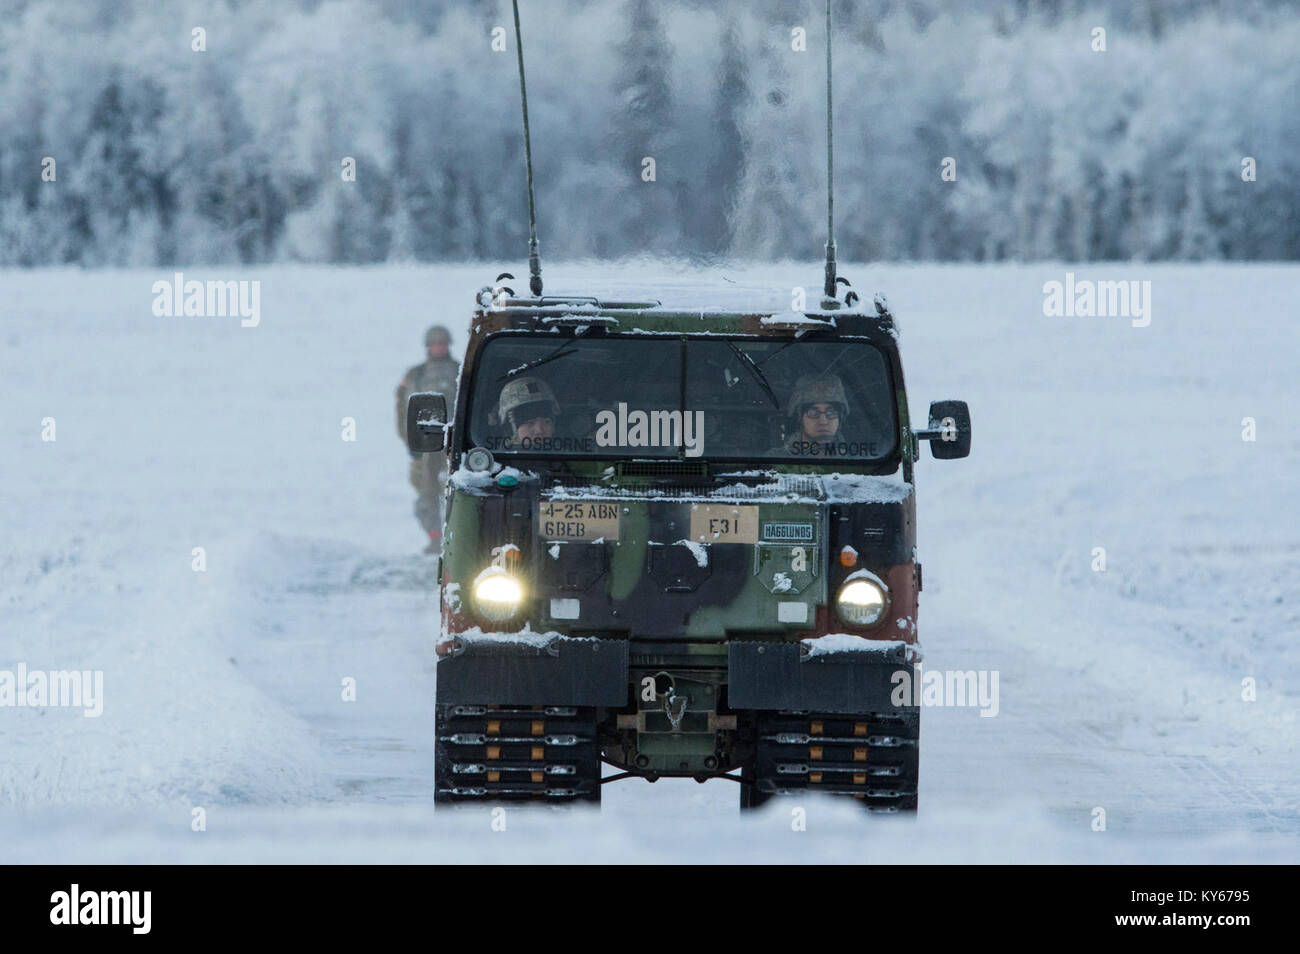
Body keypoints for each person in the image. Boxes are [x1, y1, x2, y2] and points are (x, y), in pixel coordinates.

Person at [396, 325, 459, 553]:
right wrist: (410, 439)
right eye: (435, 343)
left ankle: (457, 536)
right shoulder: (416, 375)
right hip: (426, 445)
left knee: (457, 490)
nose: (439, 347)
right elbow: (403, 408)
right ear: (428, 346)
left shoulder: (460, 371)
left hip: (455, 442)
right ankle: (435, 537)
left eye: (442, 343)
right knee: (427, 491)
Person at [771, 373, 849, 456]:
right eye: (813, 413)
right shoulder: (777, 458)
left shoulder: (857, 456)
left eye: (831, 412)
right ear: (799, 417)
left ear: (840, 419)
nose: (823, 421)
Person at [497, 376, 559, 446]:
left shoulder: (566, 453)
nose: (539, 431)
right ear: (509, 429)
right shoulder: (497, 456)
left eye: (547, 421)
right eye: (529, 423)